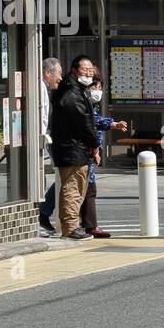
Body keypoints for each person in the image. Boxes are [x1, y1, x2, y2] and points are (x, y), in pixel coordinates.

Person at [48, 55, 100, 240]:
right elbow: (83, 122)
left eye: (90, 70)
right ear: (73, 71)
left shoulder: (77, 90)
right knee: (72, 188)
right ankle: (70, 228)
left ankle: (72, 225)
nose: (88, 73)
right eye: (84, 70)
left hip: (76, 147)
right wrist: (95, 143)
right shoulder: (71, 93)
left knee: (76, 188)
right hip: (72, 148)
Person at [80, 72, 128, 238]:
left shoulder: (90, 105)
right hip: (85, 151)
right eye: (95, 87)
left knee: (81, 187)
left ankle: (87, 224)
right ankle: (89, 225)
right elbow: (93, 123)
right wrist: (113, 124)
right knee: (87, 189)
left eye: (100, 88)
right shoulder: (83, 103)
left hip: (90, 150)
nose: (98, 91)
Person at [38, 57, 63, 235]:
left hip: (47, 138)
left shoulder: (46, 89)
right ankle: (44, 212)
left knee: (61, 175)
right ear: (48, 73)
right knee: (63, 175)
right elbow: (43, 119)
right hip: (45, 138)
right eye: (58, 74)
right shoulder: (41, 88)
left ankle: (44, 212)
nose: (60, 78)